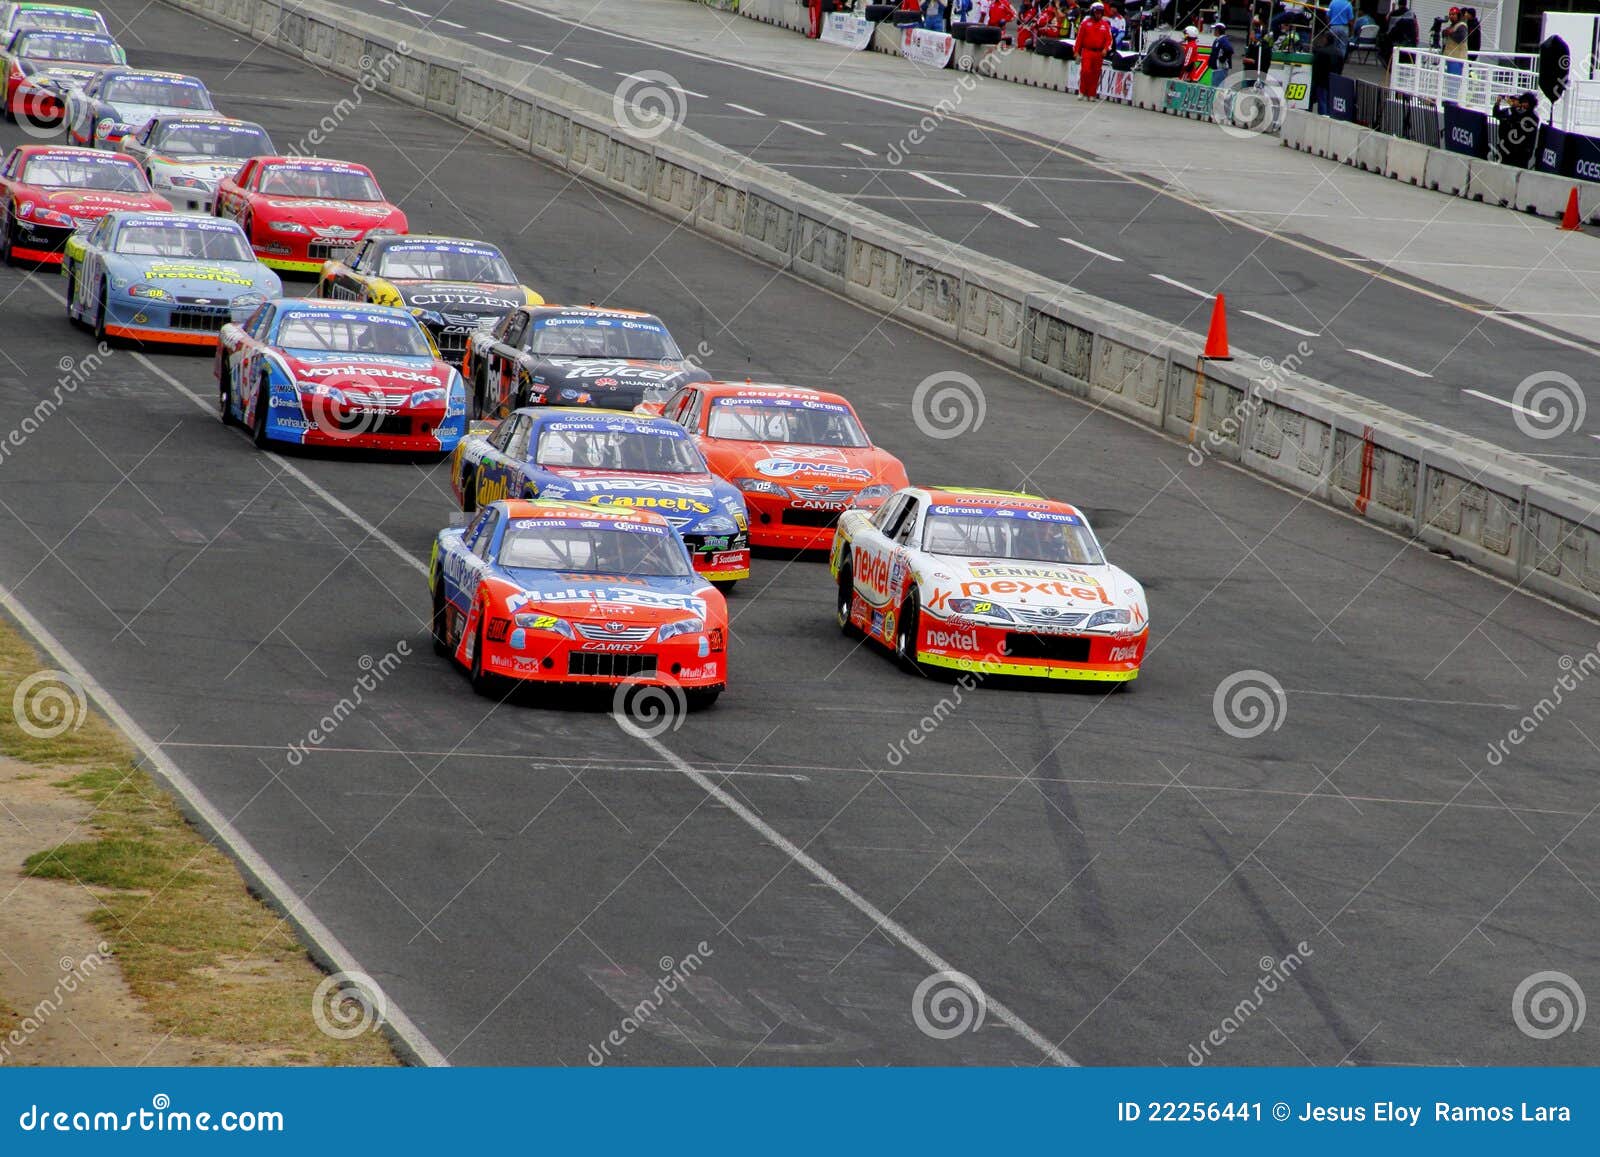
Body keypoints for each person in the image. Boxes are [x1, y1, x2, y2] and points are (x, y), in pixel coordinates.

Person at [1492, 90, 1540, 168]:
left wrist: (1514, 109)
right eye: (1522, 102)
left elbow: (1519, 122)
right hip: (1507, 148)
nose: (1523, 104)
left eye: (1525, 102)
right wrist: (1499, 103)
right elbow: (1497, 114)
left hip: (1522, 152)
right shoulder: (1511, 111)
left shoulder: (1533, 116)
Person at [1075, 1, 1113, 98]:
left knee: (1095, 74)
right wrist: (1076, 52)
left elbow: (1109, 40)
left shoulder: (1105, 25)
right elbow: (1079, 39)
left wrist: (1105, 49)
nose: (1098, 14)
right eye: (1096, 12)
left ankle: (1092, 94)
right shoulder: (1085, 24)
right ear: (1092, 12)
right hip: (1087, 51)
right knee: (1085, 71)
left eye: (1100, 12)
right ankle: (1082, 91)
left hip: (1099, 53)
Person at [1310, 30, 1344, 114]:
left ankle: (1323, 117)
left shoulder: (1321, 52)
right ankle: (1329, 117)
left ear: (1326, 39)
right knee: (1330, 102)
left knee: (1322, 101)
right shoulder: (1339, 53)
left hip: (1321, 81)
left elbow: (1316, 67)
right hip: (1334, 81)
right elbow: (1340, 67)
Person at [1441, 7, 1468, 99]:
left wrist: (1450, 33)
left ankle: (1453, 101)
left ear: (1458, 15)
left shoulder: (1462, 26)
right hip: (1450, 57)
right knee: (1449, 82)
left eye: (1453, 15)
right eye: (1450, 15)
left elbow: (1461, 38)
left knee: (1454, 82)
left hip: (1457, 58)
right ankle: (1450, 99)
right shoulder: (1451, 27)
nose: (1451, 16)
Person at [1209, 21, 1234, 86]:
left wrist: (1223, 58)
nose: (1214, 31)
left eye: (1215, 29)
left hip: (1220, 69)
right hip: (1217, 69)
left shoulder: (1223, 40)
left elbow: (1229, 49)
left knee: (1218, 88)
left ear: (1218, 30)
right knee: (1216, 87)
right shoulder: (1218, 40)